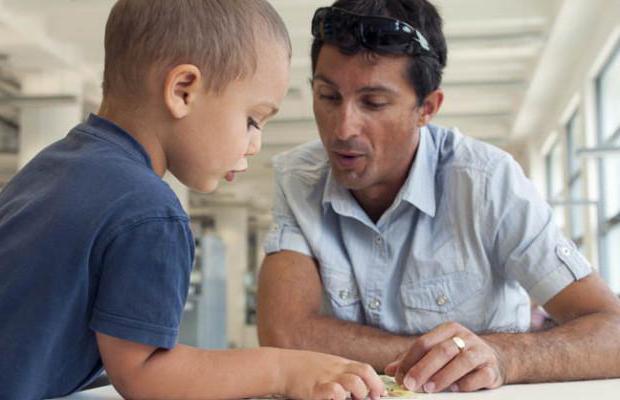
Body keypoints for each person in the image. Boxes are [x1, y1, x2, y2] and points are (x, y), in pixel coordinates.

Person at [0, 1, 385, 399]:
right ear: (183, 91)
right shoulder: (148, 211)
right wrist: (284, 368)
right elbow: (144, 372)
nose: (255, 145)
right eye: (252, 120)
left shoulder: (53, 166)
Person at [257, 0, 620, 394]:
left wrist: (503, 356)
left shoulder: (487, 182)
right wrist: (437, 357)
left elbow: (612, 331)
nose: (343, 128)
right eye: (328, 97)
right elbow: (285, 334)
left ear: (427, 108)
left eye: (373, 103)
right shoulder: (298, 179)